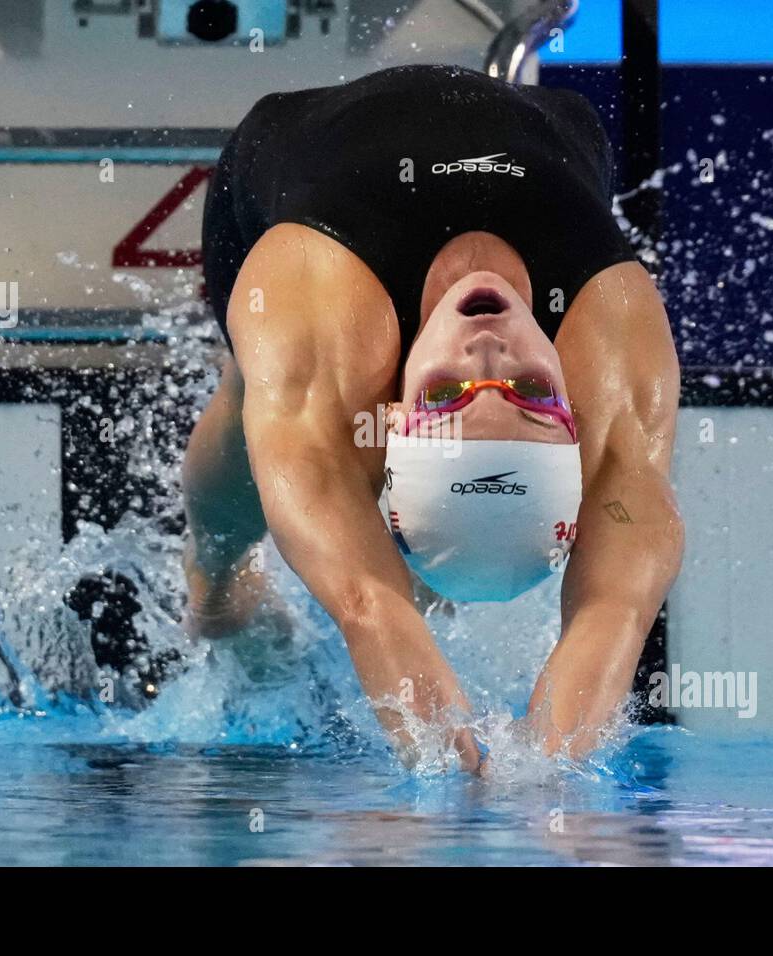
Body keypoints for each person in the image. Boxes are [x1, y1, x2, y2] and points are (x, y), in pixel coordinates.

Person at [181, 64, 683, 771]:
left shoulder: (319, 296)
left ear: (394, 419)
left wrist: (473, 787)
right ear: (574, 410)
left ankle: (213, 580)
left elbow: (369, 605)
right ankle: (219, 575)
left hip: (277, 176)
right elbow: (614, 614)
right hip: (553, 125)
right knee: (281, 417)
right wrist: (542, 778)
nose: (487, 348)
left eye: (446, 394)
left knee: (270, 412)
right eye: (531, 390)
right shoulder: (612, 335)